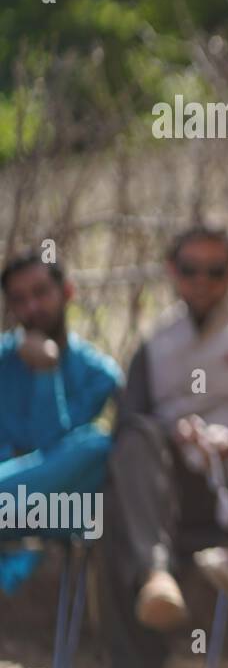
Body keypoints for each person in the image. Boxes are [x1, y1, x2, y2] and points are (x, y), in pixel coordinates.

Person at [98, 224, 228, 668]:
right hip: (168, 494)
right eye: (190, 270)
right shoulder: (154, 342)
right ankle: (154, 586)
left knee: (122, 530)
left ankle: (167, 571)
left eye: (215, 271)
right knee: (133, 451)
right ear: (172, 271)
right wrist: (171, 436)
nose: (202, 281)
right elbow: (131, 425)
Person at [0, 252, 122, 593]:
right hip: (13, 510)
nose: (33, 308)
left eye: (41, 293)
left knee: (96, 446)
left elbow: (50, 446)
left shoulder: (99, 374)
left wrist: (46, 372)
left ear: (67, 292)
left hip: (59, 511)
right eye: (20, 299)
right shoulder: (3, 360)